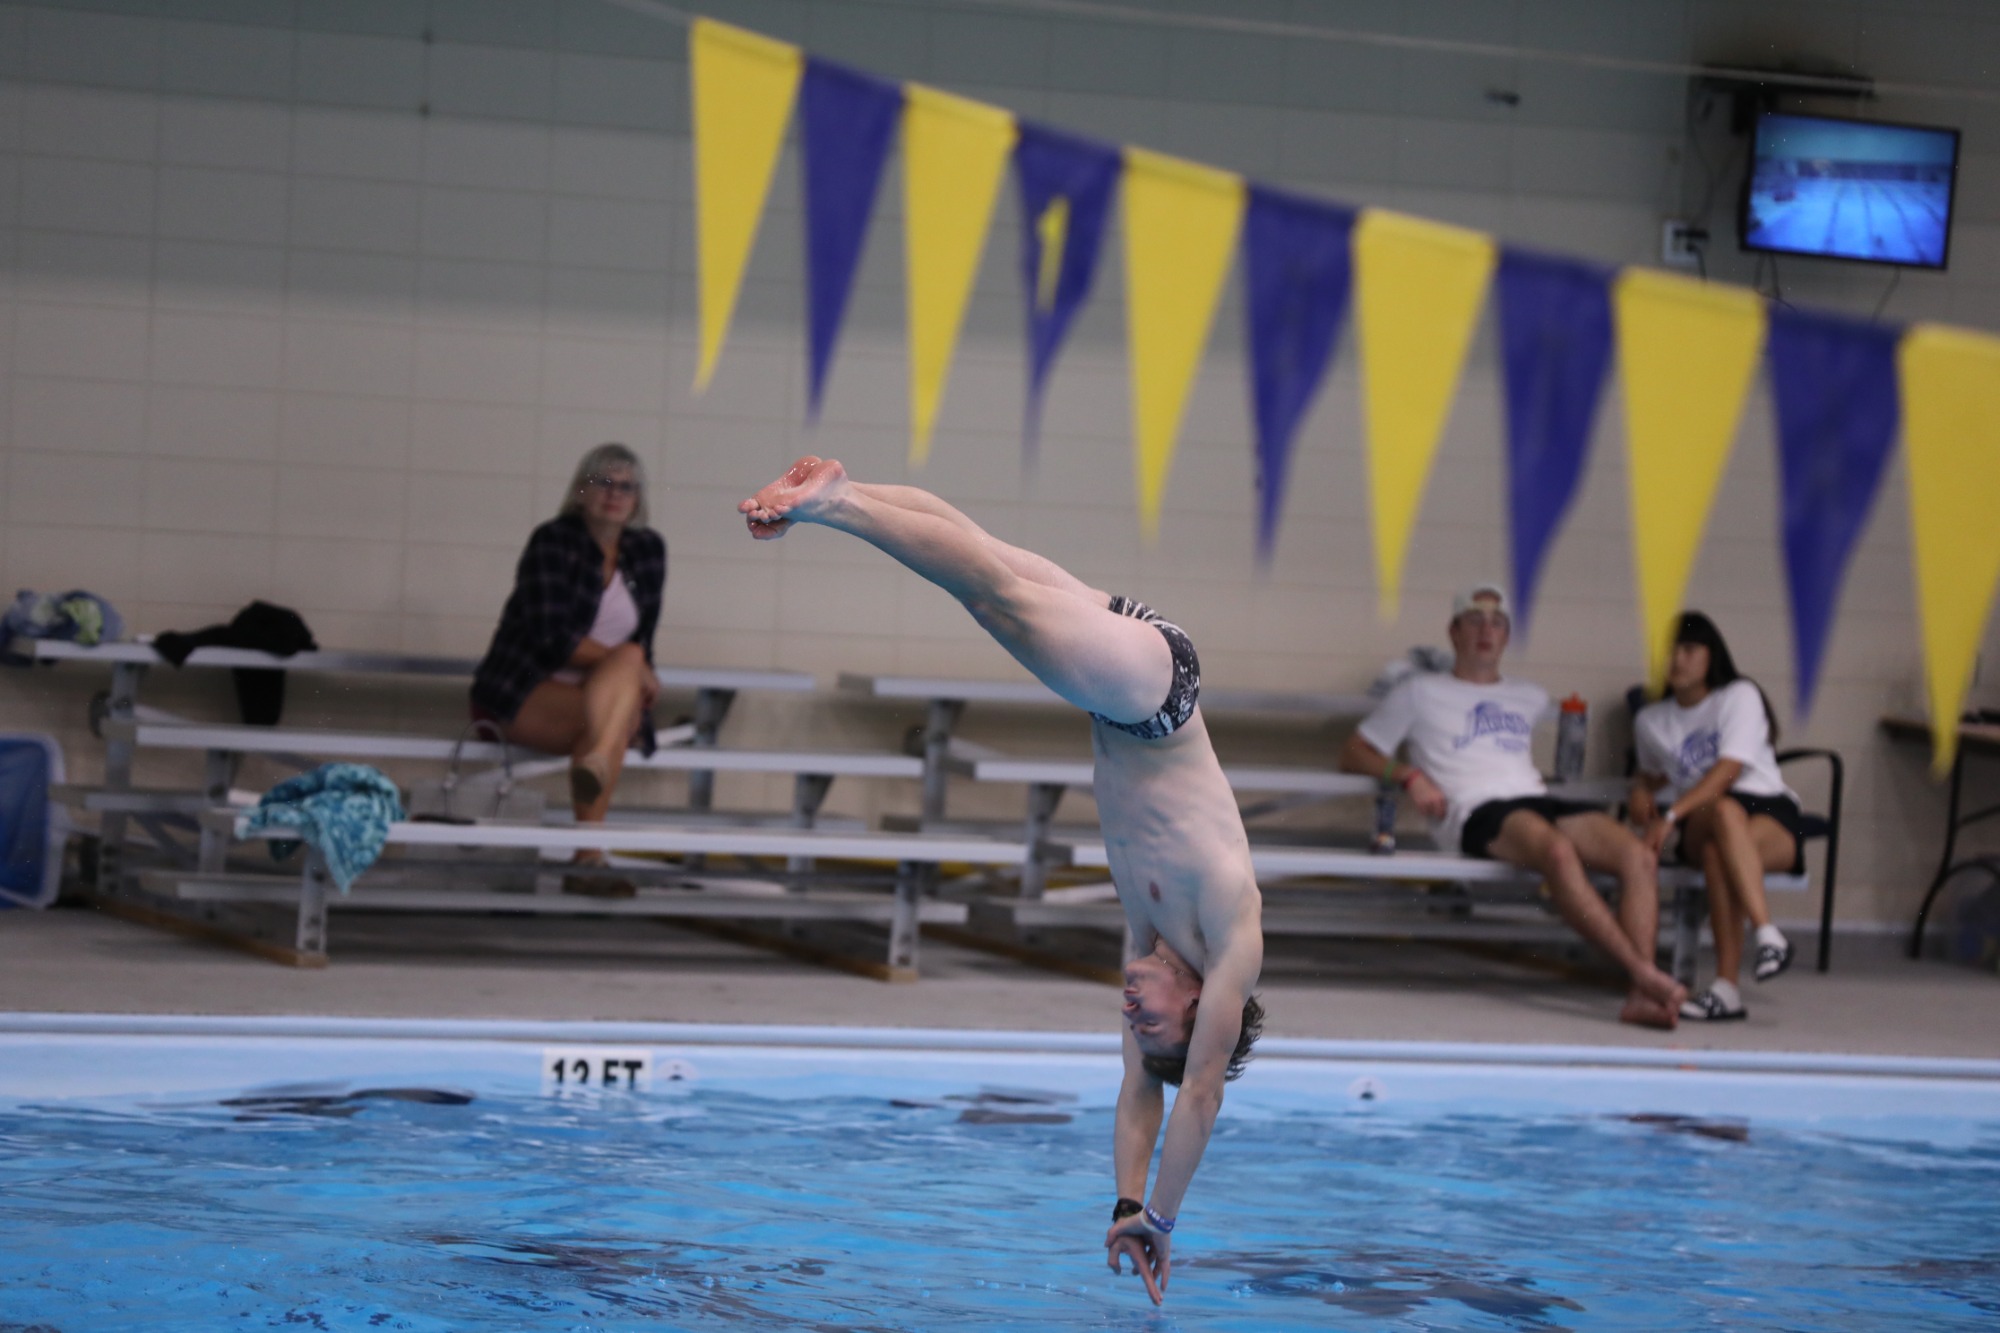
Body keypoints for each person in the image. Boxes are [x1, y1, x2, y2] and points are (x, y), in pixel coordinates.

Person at [739, 457, 1262, 1306]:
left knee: (993, 559)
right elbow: (1194, 1091)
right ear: (1203, 1012)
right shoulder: (1229, 930)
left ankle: (846, 487)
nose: (1132, 1012)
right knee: (991, 594)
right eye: (1154, 1022)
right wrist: (1166, 1220)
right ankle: (835, 506)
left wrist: (1128, 1203)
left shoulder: (1152, 942)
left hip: (1123, 682)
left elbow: (1141, 1089)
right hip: (1157, 698)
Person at [1338, 584, 1688, 1029]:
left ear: (1507, 636)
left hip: (1534, 798)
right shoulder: (1419, 692)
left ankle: (1642, 995)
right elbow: (1354, 751)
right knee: (1557, 852)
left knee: (1638, 856)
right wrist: (1410, 776)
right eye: (1475, 620)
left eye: (1498, 622)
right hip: (1473, 809)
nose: (1487, 630)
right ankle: (1644, 974)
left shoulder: (1529, 695)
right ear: (1454, 631)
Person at [470, 443, 667, 893]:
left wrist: (634, 667)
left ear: (639, 498)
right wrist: (631, 669)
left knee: (626, 671)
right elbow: (550, 636)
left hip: (598, 698)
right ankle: (588, 858)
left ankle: (589, 836)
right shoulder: (553, 541)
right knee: (619, 697)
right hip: (524, 687)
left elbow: (644, 637)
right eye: (603, 483)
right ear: (581, 490)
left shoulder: (648, 550)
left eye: (627, 487)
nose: (615, 495)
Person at [1630, 612, 1799, 1022]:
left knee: (1716, 852)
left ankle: (1726, 990)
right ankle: (1768, 935)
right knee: (1722, 813)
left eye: (1689, 649)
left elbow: (1729, 770)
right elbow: (1650, 774)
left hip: (1765, 810)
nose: (1678, 660)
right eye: (1669, 651)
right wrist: (1640, 790)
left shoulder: (1739, 695)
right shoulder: (1650, 720)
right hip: (1704, 812)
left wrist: (1670, 814)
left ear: (1711, 656)